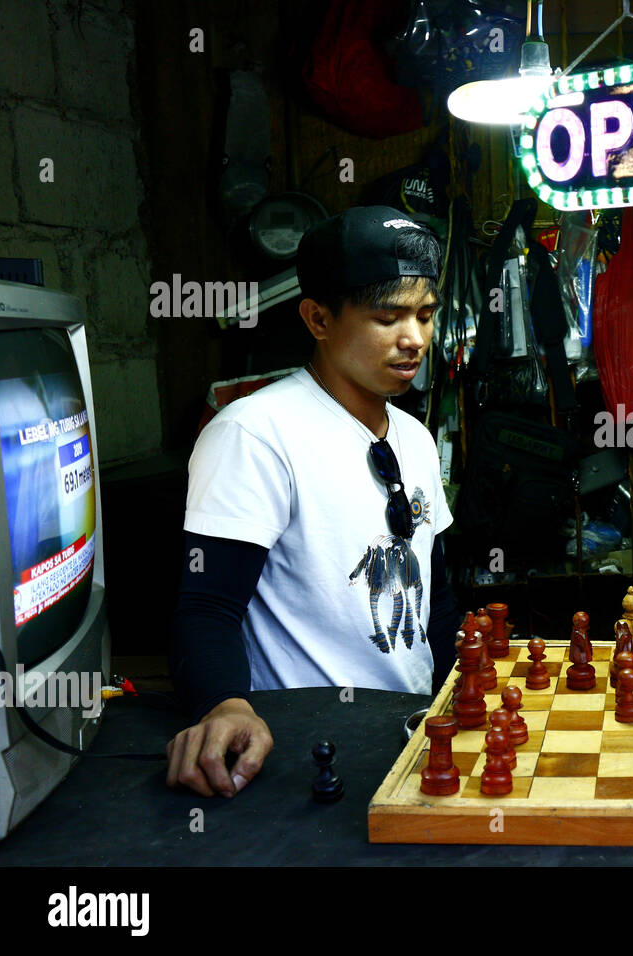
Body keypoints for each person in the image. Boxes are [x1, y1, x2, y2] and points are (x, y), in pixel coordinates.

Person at [166, 206, 457, 798]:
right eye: (388, 317)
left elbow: (440, 597)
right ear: (318, 318)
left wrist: (471, 688)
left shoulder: (417, 438)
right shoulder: (255, 435)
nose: (415, 339)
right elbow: (207, 608)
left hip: (411, 732)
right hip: (308, 749)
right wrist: (224, 705)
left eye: (426, 315)